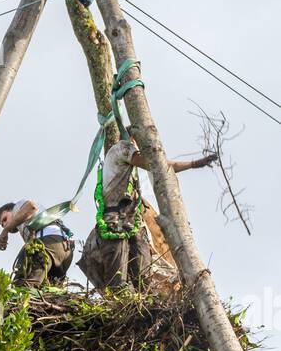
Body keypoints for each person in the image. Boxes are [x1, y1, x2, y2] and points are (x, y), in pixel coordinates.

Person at [79, 126, 217, 294]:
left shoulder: (129, 164)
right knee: (118, 281)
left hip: (132, 225)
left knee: (143, 278)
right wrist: (190, 164)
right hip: (115, 221)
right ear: (132, 139)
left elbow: (162, 166)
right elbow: (154, 164)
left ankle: (142, 309)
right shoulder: (121, 148)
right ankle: (125, 309)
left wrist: (194, 164)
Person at [0, 200, 75, 288]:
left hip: (49, 242)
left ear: (10, 210)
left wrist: (5, 230)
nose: (5, 225)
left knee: (21, 286)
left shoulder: (17, 207)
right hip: (64, 251)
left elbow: (32, 207)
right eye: (3, 225)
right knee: (48, 289)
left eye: (5, 219)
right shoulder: (25, 228)